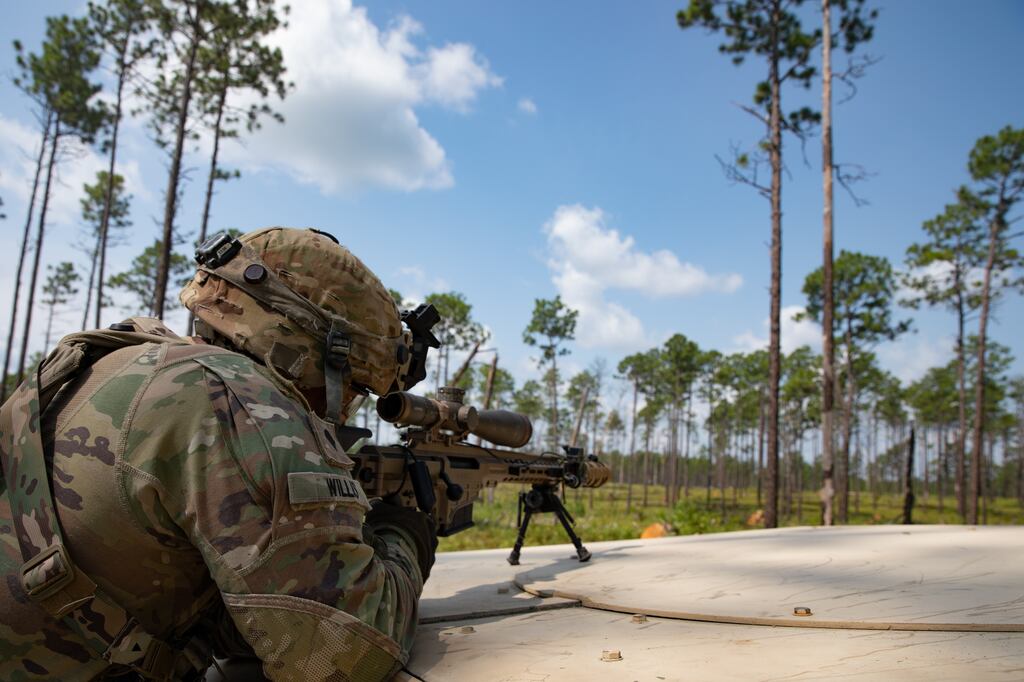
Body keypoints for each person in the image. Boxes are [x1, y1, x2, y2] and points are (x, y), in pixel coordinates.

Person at [0, 227, 437, 681]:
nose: (345, 406)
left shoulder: (118, 360)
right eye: (354, 386)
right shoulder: (237, 399)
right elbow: (345, 657)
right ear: (314, 352)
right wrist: (405, 537)